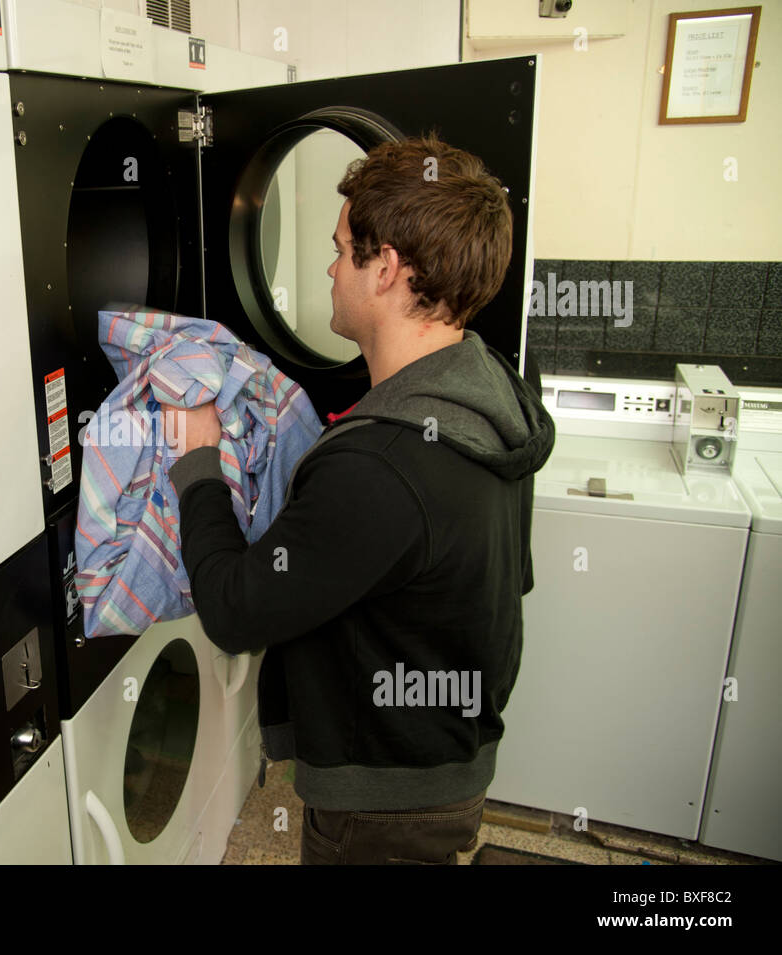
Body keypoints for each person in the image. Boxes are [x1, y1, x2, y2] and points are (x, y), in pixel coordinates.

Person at [164, 134, 555, 865]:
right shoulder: (490, 387)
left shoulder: (380, 465)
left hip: (385, 806)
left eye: (344, 249)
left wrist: (197, 462)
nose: (330, 267)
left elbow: (234, 608)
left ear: (389, 270)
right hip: (450, 757)